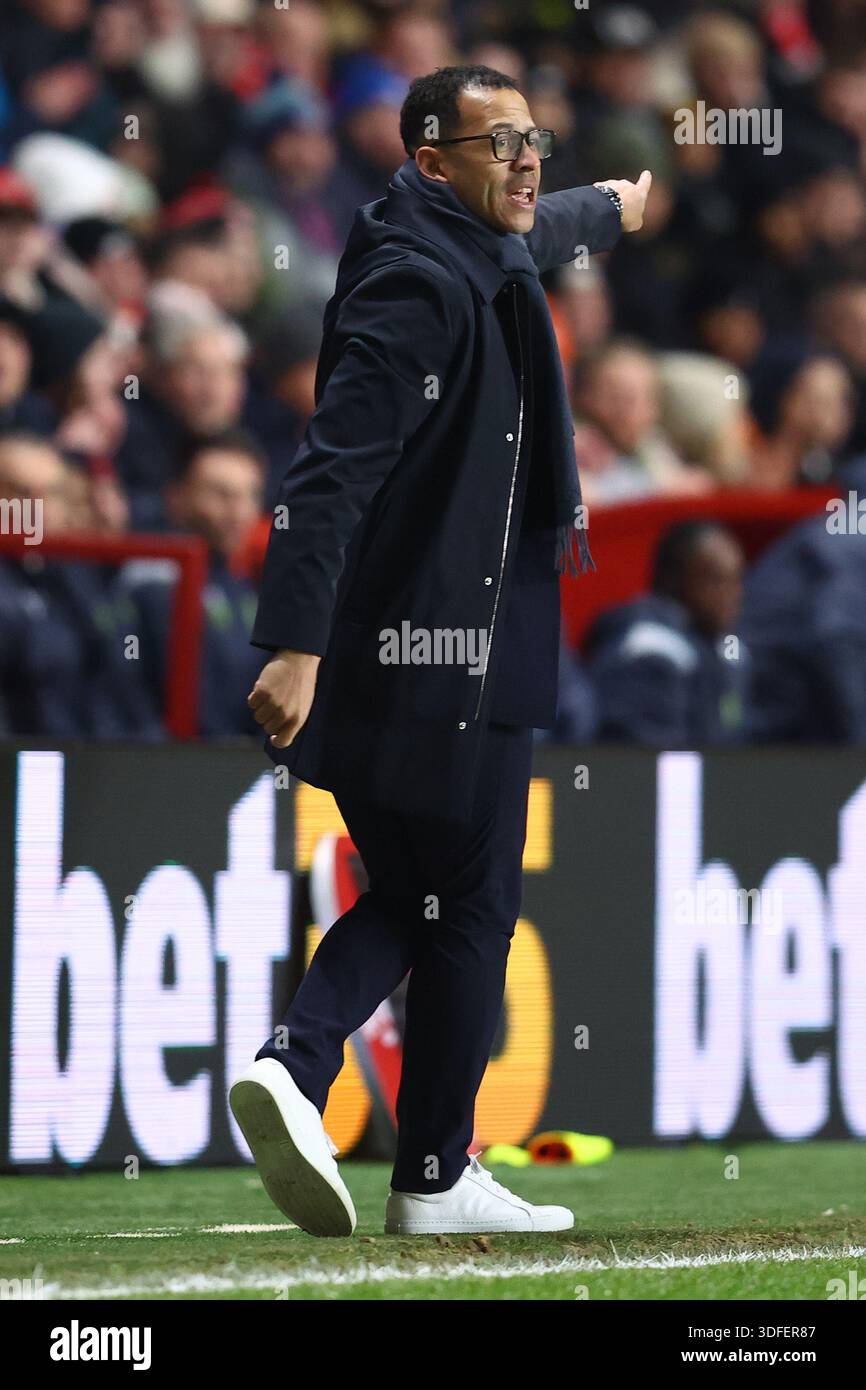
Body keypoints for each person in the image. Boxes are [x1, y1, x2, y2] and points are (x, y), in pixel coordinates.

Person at [228, 63, 650, 1237]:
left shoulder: (464, 237)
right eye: (499, 143)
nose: (527, 162)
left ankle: (320, 1085)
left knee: (427, 890)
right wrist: (294, 645)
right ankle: (408, 1154)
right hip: (435, 648)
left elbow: (530, 228)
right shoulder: (416, 283)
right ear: (429, 163)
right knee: (465, 902)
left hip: (449, 636)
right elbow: (330, 471)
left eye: (534, 139)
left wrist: (608, 209)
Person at [586, 520, 750, 746]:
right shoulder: (647, 650)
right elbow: (643, 761)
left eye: (736, 579)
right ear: (672, 579)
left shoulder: (727, 647)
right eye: (716, 580)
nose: (732, 594)